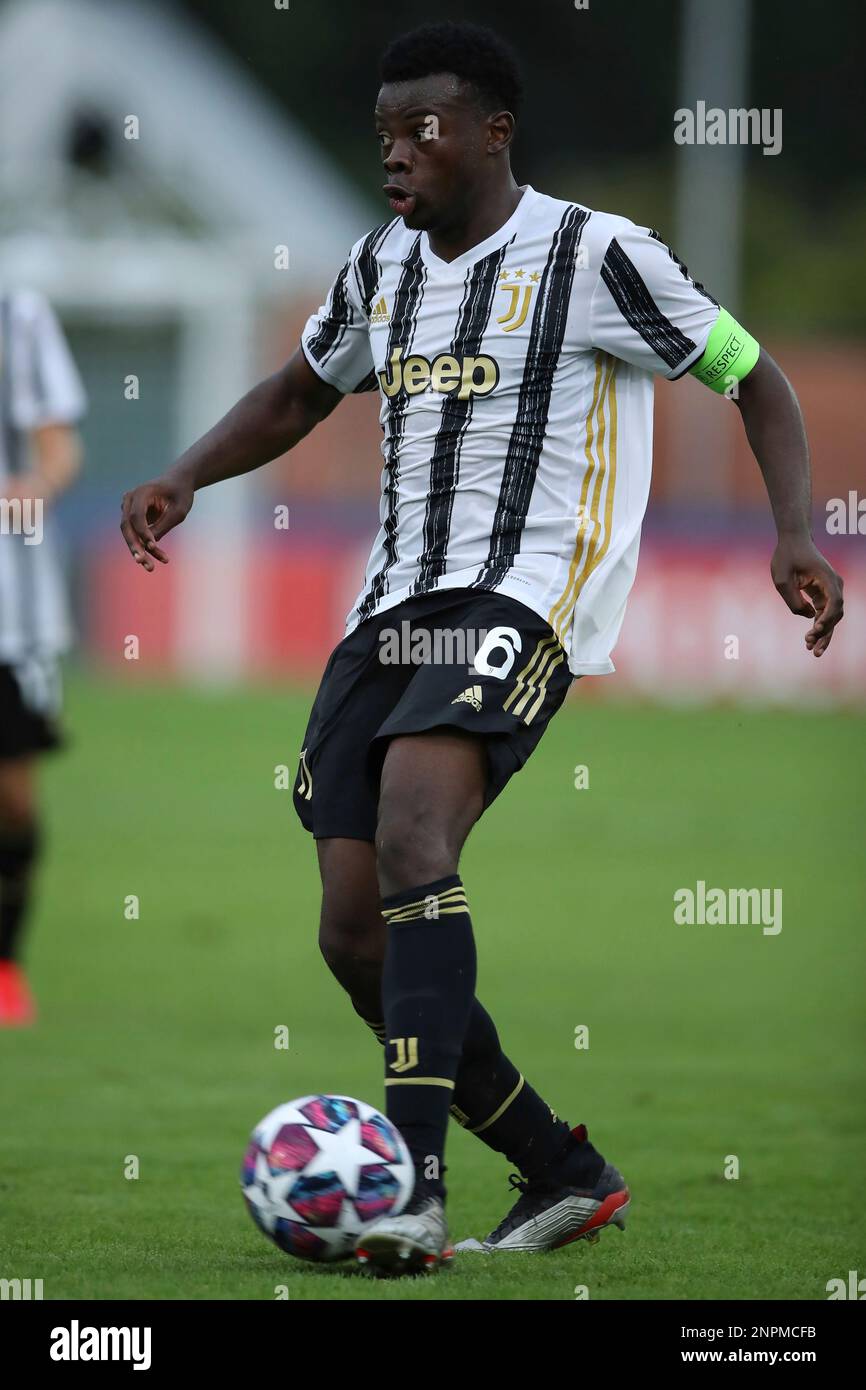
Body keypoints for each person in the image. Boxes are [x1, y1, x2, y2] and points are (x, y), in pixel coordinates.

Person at [120, 21, 843, 1274]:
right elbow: (301, 390)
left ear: (493, 130)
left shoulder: (596, 252)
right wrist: (184, 474)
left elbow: (753, 374)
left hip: (525, 593)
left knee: (415, 834)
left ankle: (411, 1189)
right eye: (386, 134)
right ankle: (561, 1167)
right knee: (355, 931)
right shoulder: (378, 267)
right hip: (389, 605)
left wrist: (793, 532)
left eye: (424, 129)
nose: (396, 154)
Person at [0, 290, 85, 1025]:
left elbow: (60, 446)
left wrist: (31, 488)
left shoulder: (17, 315)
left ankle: (4, 964)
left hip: (11, 613)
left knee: (13, 797)